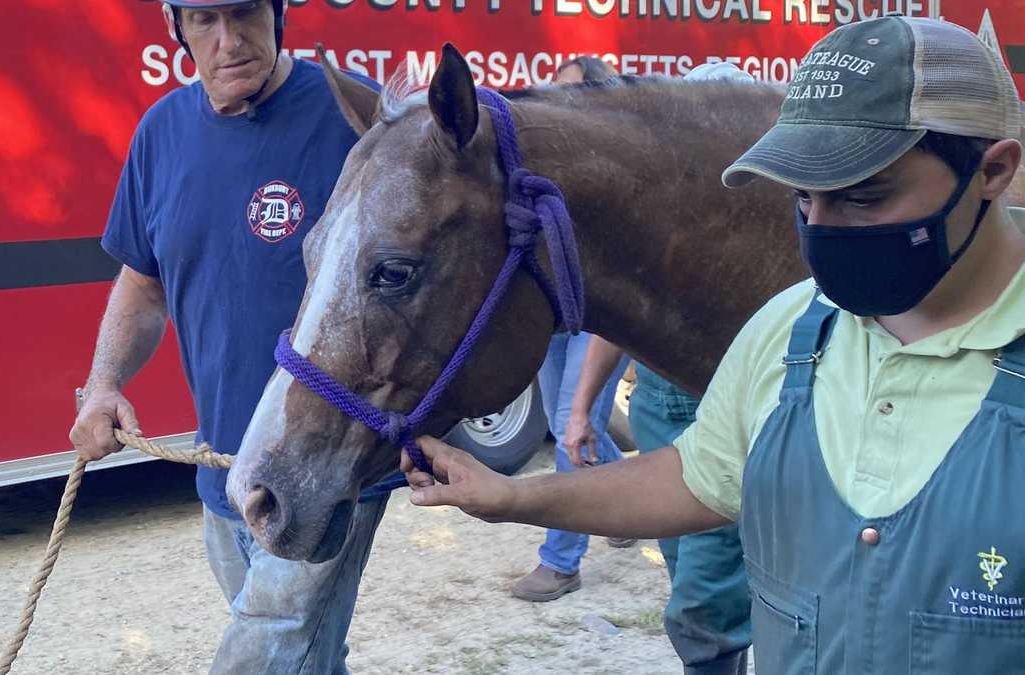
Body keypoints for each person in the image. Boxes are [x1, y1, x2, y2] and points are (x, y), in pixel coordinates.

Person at [403, 16, 1025, 673]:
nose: (821, 230)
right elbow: (697, 478)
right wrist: (510, 500)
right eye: (804, 198)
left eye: (862, 197)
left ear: (992, 170)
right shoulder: (790, 327)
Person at [68, 2, 400, 672]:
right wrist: (104, 383)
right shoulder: (160, 135)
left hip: (326, 469)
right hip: (223, 468)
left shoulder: (352, 114)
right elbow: (143, 284)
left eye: (245, 11)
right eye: (204, 20)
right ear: (176, 30)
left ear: (278, 14)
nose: (228, 40)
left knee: (265, 656)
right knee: (303, 657)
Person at [562, 60, 756, 675]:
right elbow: (621, 323)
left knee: (704, 592)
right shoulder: (662, 227)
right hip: (655, 409)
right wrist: (580, 408)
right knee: (681, 559)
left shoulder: (759, 231)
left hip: (715, 413)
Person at [507, 55, 633, 604]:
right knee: (577, 427)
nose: (554, 110)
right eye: (548, 96)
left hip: (602, 318)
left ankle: (560, 562)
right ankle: (625, 502)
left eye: (569, 98)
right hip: (556, 315)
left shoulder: (617, 170)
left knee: (570, 421)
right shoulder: (540, 162)